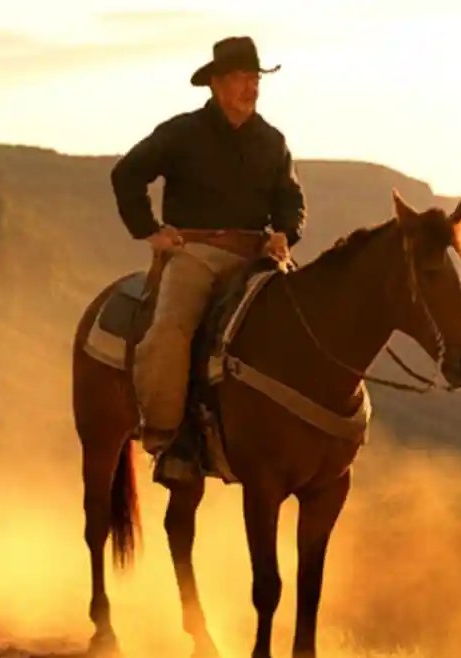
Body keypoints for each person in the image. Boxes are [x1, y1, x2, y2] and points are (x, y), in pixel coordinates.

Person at [110, 36, 307, 455]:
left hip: (259, 256)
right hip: (195, 254)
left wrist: (284, 233)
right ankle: (167, 438)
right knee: (170, 329)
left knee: (306, 322)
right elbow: (127, 173)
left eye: (255, 78)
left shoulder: (272, 142)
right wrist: (150, 230)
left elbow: (290, 199)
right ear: (216, 84)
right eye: (241, 78)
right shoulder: (181, 134)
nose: (250, 88)